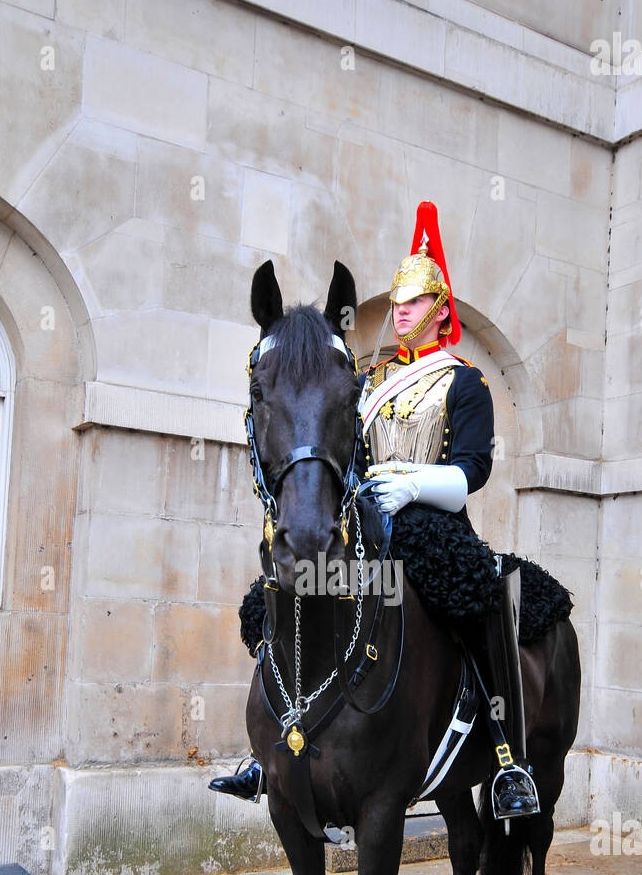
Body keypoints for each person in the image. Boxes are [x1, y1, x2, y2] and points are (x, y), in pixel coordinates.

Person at [211, 201, 539, 818]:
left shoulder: (464, 381)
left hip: (433, 525)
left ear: (440, 309)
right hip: (367, 520)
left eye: (412, 302)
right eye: (394, 303)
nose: (399, 313)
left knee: (486, 593)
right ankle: (271, 750)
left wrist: (414, 486)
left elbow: (474, 473)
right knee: (274, 599)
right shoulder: (368, 379)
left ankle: (506, 758)